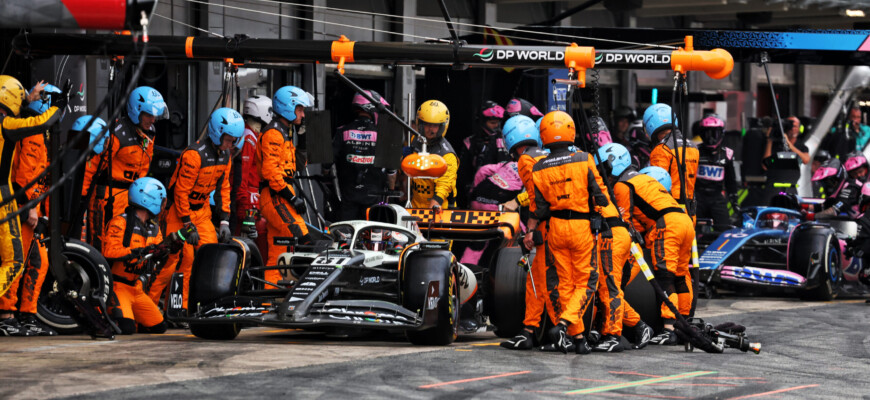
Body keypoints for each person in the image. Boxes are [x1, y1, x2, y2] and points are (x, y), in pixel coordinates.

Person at [525, 110, 610, 354]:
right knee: (586, 282)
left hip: (556, 229)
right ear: (571, 131)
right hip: (582, 227)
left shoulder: (538, 168)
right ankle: (563, 324)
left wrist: (531, 230)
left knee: (564, 285)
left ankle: (580, 340)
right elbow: (599, 194)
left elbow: (539, 208)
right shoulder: (584, 159)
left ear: (543, 135)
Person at [147, 108, 242, 310]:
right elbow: (180, 193)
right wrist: (188, 224)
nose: (230, 144)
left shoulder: (226, 156)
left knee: (212, 255)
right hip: (179, 213)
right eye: (228, 139)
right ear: (217, 132)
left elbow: (224, 189)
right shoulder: (194, 155)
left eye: (234, 140)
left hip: (202, 212)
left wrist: (224, 220)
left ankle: (191, 307)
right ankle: (149, 306)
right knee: (177, 260)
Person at [0, 81, 63, 336]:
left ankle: (26, 314)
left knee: (36, 260)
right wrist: (29, 207)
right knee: (15, 260)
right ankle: (7, 315)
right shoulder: (18, 126)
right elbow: (24, 174)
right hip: (18, 202)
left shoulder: (18, 124)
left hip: (26, 203)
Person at [613, 164, 695, 345]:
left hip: (667, 223)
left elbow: (623, 220)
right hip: (684, 221)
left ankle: (669, 328)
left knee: (665, 277)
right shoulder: (644, 179)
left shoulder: (623, 184)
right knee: (681, 276)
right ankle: (684, 323)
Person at [81, 86, 166, 251]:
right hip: (108, 197)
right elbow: (92, 169)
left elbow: (144, 168)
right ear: (136, 111)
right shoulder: (116, 133)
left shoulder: (149, 133)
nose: (153, 120)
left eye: (154, 115)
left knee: (128, 244)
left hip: (134, 197)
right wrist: (82, 199)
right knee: (103, 244)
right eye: (149, 115)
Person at [594, 143, 657, 351]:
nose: (604, 175)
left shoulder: (622, 186)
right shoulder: (637, 178)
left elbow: (623, 220)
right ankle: (604, 330)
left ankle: (621, 331)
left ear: (615, 162)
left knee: (610, 290)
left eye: (605, 168)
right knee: (607, 290)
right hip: (630, 243)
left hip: (626, 245)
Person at [499, 115, 553, 350]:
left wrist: (529, 230)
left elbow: (536, 199)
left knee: (538, 281)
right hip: (571, 226)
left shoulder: (525, 160)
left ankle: (534, 331)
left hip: (548, 227)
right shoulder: (549, 156)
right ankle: (567, 332)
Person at [103, 177, 179, 335]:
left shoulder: (153, 228)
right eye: (161, 200)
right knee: (127, 329)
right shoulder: (120, 222)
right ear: (149, 199)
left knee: (159, 327)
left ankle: (129, 314)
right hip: (118, 285)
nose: (163, 205)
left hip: (136, 288)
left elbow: (158, 253)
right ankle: (106, 312)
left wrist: (173, 248)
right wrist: (137, 252)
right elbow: (109, 252)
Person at [258, 86, 312, 284]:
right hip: (275, 196)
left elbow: (298, 166)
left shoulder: (285, 132)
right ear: (288, 108)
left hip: (282, 194)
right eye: (300, 109)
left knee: (278, 255)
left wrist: (303, 136)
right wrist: (292, 199)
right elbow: (270, 173)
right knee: (304, 240)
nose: (302, 114)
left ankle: (269, 298)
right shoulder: (273, 134)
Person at [332, 90, 395, 220]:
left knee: (347, 234)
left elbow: (327, 163)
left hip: (348, 195)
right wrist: (391, 189)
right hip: (374, 197)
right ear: (372, 108)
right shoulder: (384, 134)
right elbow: (391, 171)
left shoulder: (342, 131)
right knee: (372, 236)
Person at [645, 103, 699, 217]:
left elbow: (657, 185)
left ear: (650, 124)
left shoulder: (661, 149)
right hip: (690, 212)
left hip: (670, 212)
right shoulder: (693, 146)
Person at [406, 100, 458, 210]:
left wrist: (429, 214)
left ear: (443, 126)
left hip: (439, 210)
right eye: (427, 124)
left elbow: (442, 188)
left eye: (435, 126)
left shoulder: (447, 155)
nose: (431, 129)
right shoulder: (414, 141)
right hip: (415, 207)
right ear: (420, 124)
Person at [457, 101, 508, 208]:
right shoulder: (469, 143)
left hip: (500, 195)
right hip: (476, 197)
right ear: (482, 122)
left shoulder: (506, 141)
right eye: (493, 123)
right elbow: (463, 174)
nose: (496, 126)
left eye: (498, 122)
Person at [234, 96, 272, 238]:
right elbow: (242, 177)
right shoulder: (249, 140)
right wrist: (246, 211)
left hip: (248, 199)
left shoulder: (245, 134)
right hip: (247, 201)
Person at [695, 115, 739, 228]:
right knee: (692, 228)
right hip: (697, 197)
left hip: (717, 197)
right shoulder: (694, 151)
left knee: (724, 228)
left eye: (715, 133)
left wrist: (734, 201)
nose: (711, 138)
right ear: (701, 134)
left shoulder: (727, 154)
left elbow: (731, 180)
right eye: (707, 133)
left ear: (722, 133)